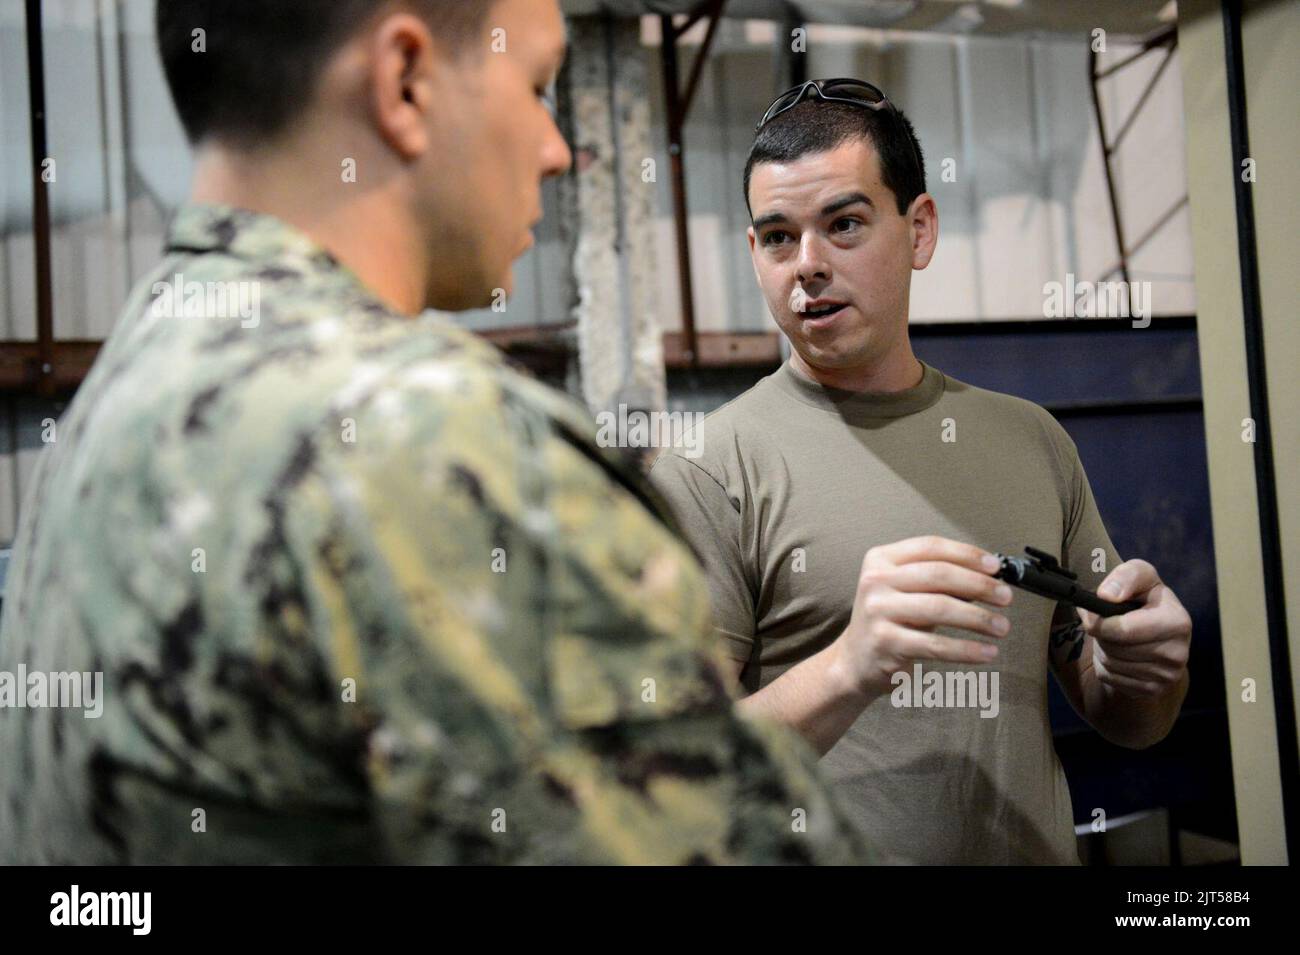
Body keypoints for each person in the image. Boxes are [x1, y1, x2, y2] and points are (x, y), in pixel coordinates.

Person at [0, 2, 867, 865]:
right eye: (536, 87)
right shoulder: (433, 437)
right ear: (406, 80)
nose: (559, 150)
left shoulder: (129, 383)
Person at [650, 79, 1193, 864]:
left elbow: (1126, 715)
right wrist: (848, 666)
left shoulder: (1033, 439)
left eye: (844, 224)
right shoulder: (711, 470)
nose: (807, 265)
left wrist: (1149, 669)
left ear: (920, 229)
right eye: (777, 237)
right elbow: (674, 776)